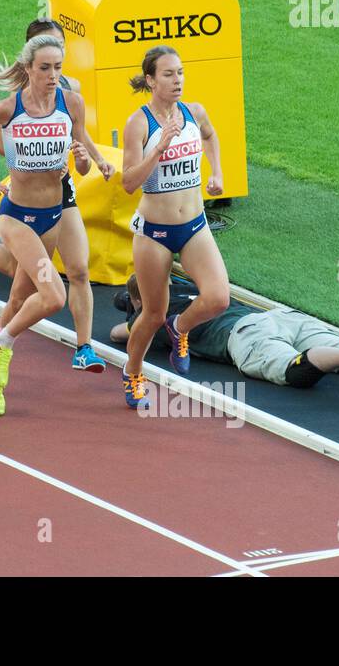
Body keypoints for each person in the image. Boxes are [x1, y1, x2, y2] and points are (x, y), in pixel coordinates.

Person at [0, 33, 113, 417]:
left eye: (58, 67)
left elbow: (82, 165)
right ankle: (2, 346)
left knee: (19, 299)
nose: (54, 75)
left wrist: (85, 158)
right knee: (54, 295)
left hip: (52, 216)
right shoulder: (9, 109)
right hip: (16, 216)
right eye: (45, 68)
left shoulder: (71, 103)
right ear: (27, 69)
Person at [111, 275, 339, 406]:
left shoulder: (154, 313)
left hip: (245, 336)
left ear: (138, 301)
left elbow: (120, 335)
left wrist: (138, 310)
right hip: (280, 316)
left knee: (296, 370)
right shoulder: (195, 286)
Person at [119, 45, 229, 410]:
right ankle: (133, 372)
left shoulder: (193, 112)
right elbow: (129, 183)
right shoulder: (139, 123)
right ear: (150, 80)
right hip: (156, 233)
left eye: (180, 72)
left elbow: (211, 135)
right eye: (168, 74)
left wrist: (216, 172)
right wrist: (158, 150)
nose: (177, 79)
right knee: (151, 313)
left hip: (195, 225)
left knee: (218, 298)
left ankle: (180, 327)